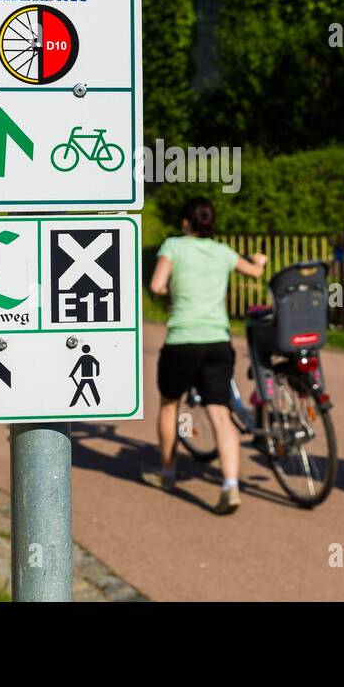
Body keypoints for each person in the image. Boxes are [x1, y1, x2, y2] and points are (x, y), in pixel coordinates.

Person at [144, 197, 267, 515]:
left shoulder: (173, 246)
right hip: (217, 340)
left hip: (184, 339)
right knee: (220, 414)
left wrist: (173, 290)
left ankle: (168, 474)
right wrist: (260, 261)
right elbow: (254, 272)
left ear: (186, 222)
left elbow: (156, 285)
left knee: (170, 404)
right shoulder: (223, 251)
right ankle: (230, 485)